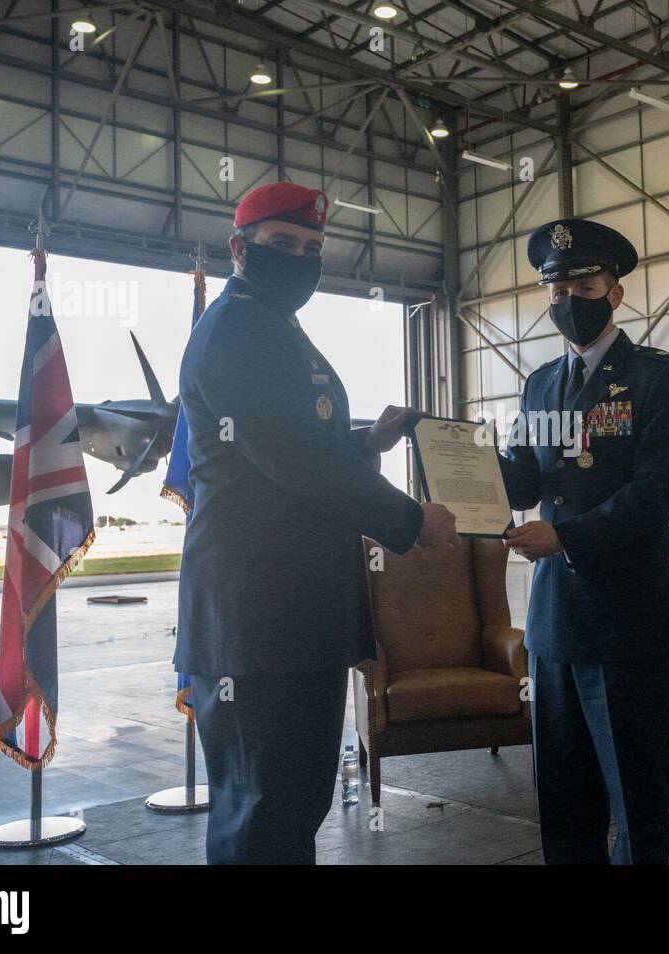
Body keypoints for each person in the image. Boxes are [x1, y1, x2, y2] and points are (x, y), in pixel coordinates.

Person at [174, 181, 458, 864]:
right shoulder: (236, 329)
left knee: (294, 808)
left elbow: (295, 452)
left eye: (312, 248)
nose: (301, 258)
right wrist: (411, 517)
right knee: (262, 821)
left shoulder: (275, 327)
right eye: (283, 245)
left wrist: (368, 445)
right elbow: (295, 462)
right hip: (255, 625)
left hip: (293, 623)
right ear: (241, 248)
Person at [498, 217, 669, 864]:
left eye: (582, 283)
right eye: (555, 289)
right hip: (554, 624)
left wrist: (565, 536)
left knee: (635, 801)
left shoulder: (658, 378)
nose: (567, 300)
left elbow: (655, 493)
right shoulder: (539, 385)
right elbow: (522, 476)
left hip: (626, 620)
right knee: (563, 799)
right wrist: (444, 450)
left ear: (615, 291)